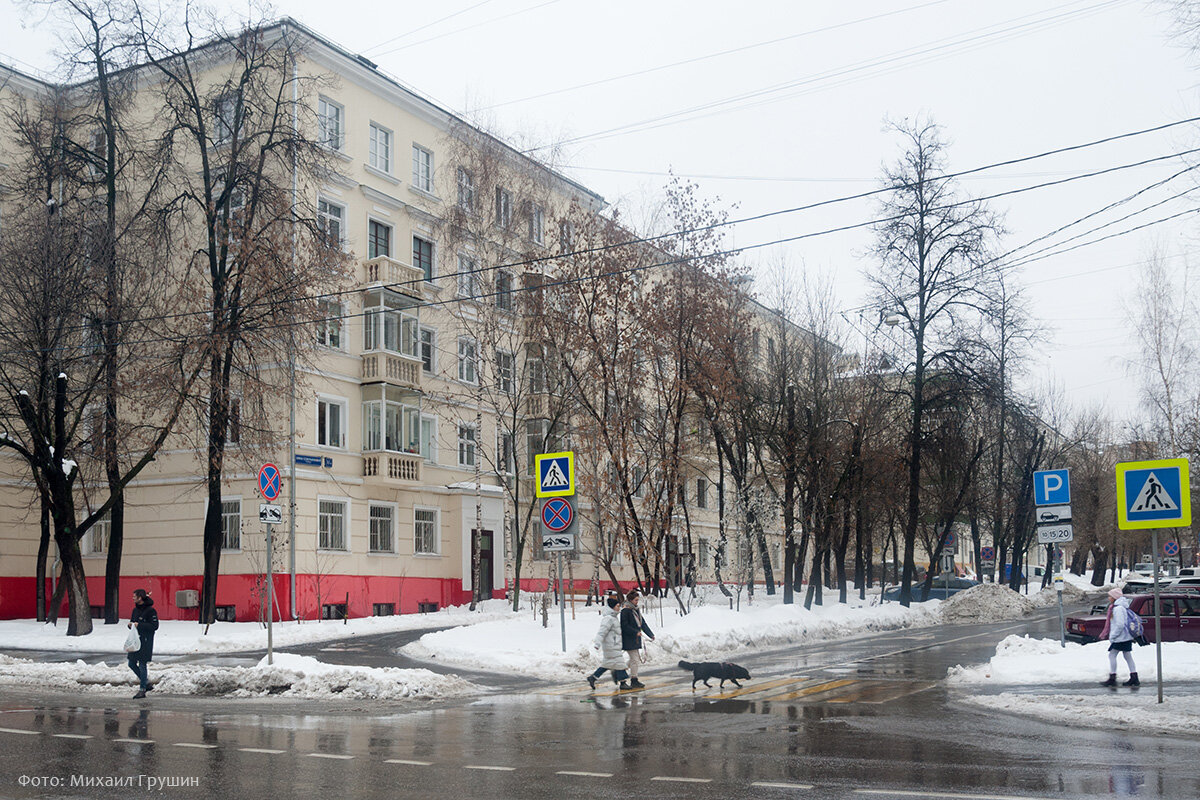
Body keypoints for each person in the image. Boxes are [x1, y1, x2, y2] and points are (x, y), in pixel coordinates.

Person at [587, 594, 629, 690]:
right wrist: (597, 643)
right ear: (612, 607)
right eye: (617, 606)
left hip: (613, 645)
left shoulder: (613, 618)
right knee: (619, 663)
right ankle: (623, 683)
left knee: (607, 664)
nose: (619, 608)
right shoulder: (608, 619)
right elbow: (602, 632)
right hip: (611, 646)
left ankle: (593, 678)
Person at [1099, 588, 1138, 687]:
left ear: (1115, 597)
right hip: (1125, 637)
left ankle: (1113, 677)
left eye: (1110, 596)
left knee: (1112, 655)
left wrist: (1113, 635)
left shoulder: (1118, 609)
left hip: (1121, 637)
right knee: (1127, 655)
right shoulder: (1120, 607)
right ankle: (1134, 677)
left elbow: (1120, 624)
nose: (1109, 598)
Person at [620, 589, 655, 689]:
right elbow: (624, 626)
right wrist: (635, 632)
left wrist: (650, 634)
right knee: (635, 660)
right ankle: (633, 680)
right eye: (635, 600)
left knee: (633, 660)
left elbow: (642, 623)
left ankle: (622, 674)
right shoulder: (625, 611)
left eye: (637, 600)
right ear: (630, 600)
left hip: (635, 639)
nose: (637, 602)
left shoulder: (636, 610)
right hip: (628, 639)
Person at [128, 588, 159, 699]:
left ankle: (142, 690)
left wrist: (139, 625)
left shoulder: (151, 611)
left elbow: (154, 626)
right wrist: (130, 625)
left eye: (134, 596)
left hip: (145, 641)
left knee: (142, 664)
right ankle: (146, 682)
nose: (133, 598)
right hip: (135, 641)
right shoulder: (135, 610)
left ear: (140, 598)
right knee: (131, 663)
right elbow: (133, 622)